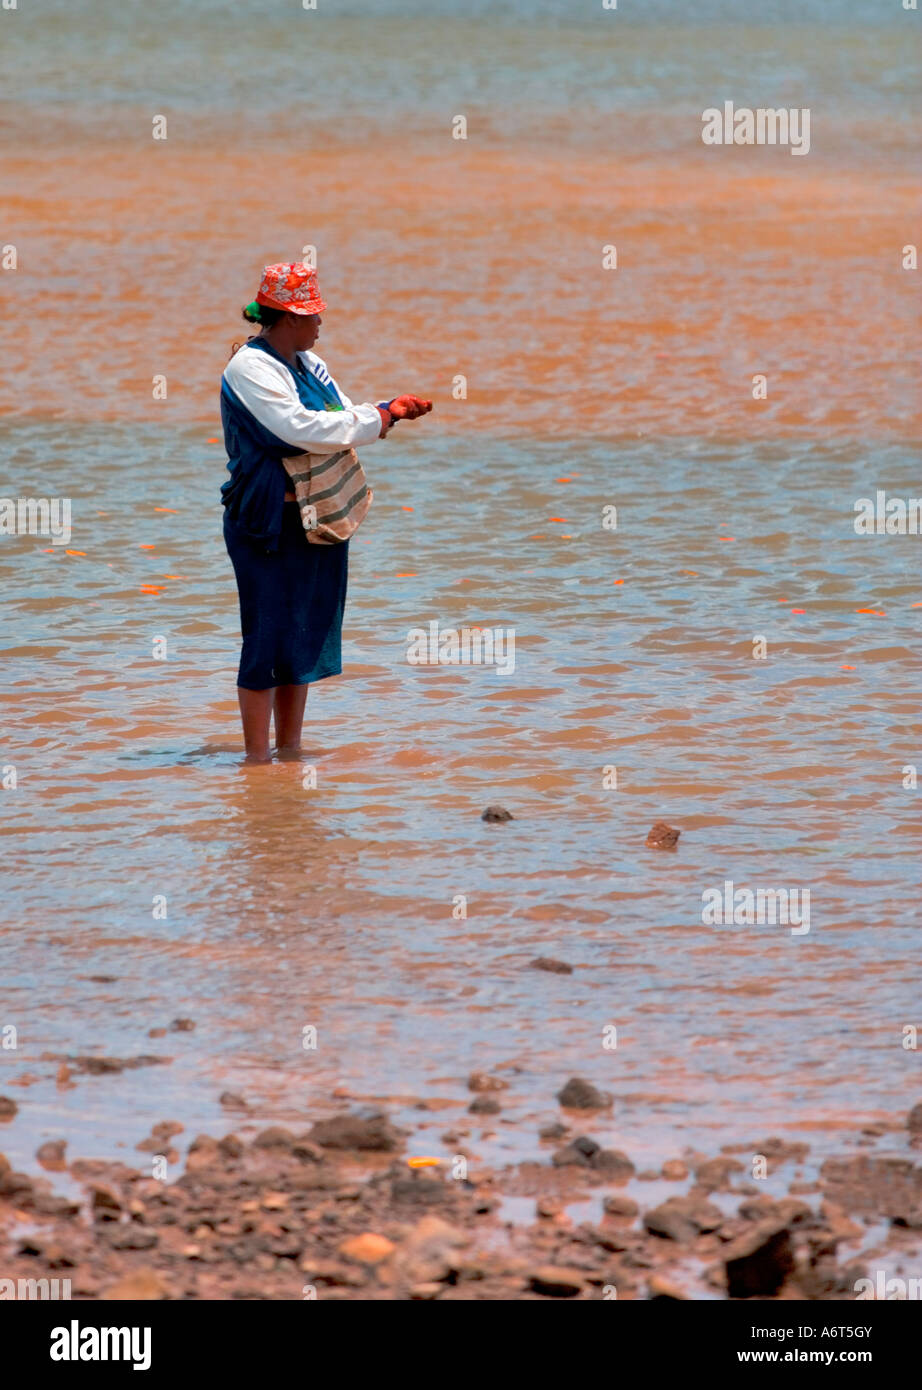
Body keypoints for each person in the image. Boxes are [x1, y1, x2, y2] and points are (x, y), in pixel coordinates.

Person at [220, 261, 432, 762]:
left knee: (302, 639)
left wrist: (386, 410)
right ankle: (257, 761)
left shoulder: (307, 364)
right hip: (268, 522)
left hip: (317, 519)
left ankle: (288, 753)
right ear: (289, 317)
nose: (321, 324)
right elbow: (302, 429)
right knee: (265, 639)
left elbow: (337, 415)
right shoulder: (249, 368)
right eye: (313, 316)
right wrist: (379, 417)